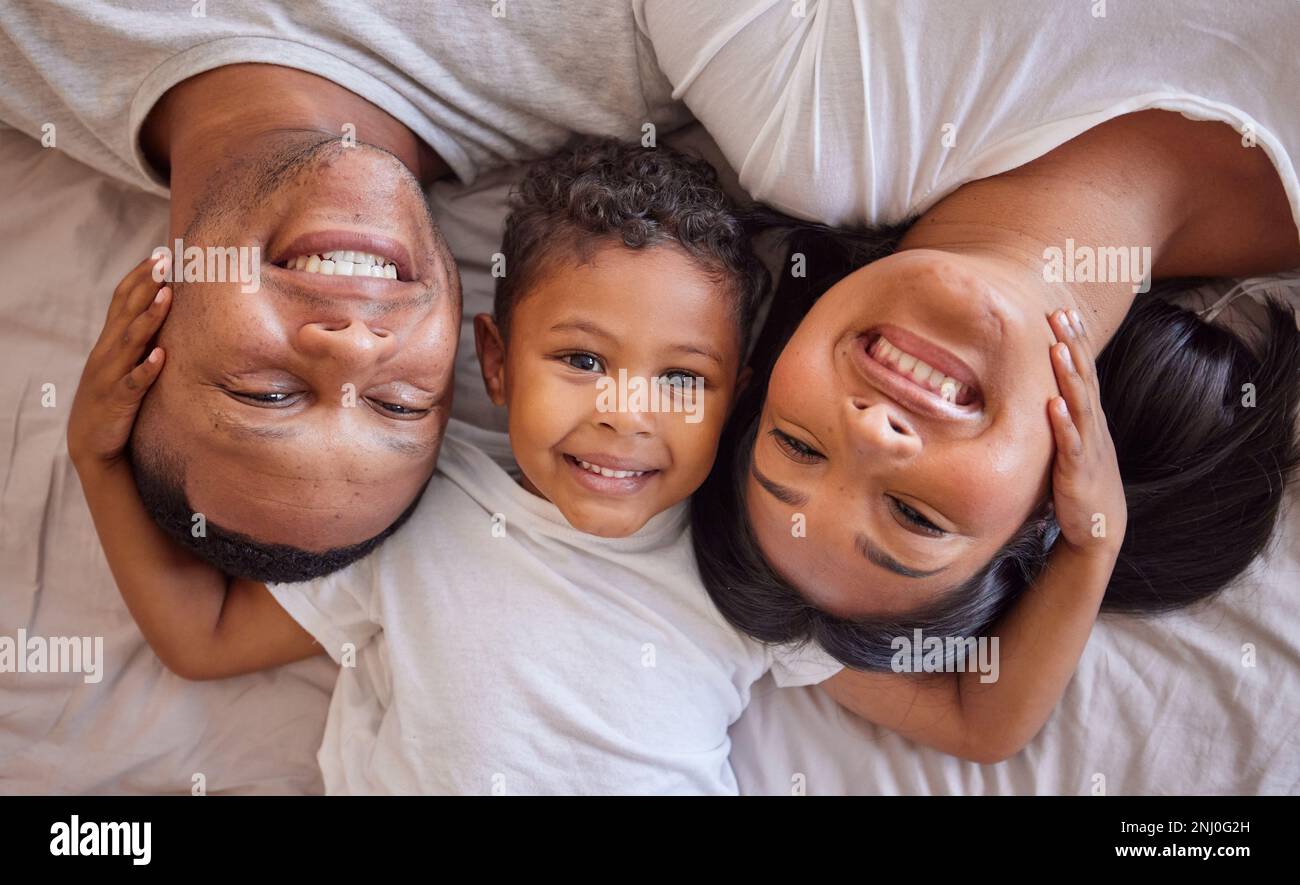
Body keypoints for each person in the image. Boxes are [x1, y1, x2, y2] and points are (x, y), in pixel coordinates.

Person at [69, 139, 1126, 791]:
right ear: (493, 358)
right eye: (580, 359)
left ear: (739, 391)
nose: (625, 415)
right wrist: (96, 453)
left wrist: (1090, 542)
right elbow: (200, 637)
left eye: (683, 380)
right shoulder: (416, 521)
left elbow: (981, 721)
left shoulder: (744, 577)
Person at [641, 0, 1300, 665]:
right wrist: (1091, 549)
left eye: (799, 446)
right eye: (916, 517)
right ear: (1048, 507)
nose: (872, 434)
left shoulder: (808, 129)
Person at [1, 1, 690, 579]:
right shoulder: (636, 58)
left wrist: (94, 455)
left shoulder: (29, 45)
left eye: (267, 394)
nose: (356, 346)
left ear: (141, 337)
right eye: (398, 402)